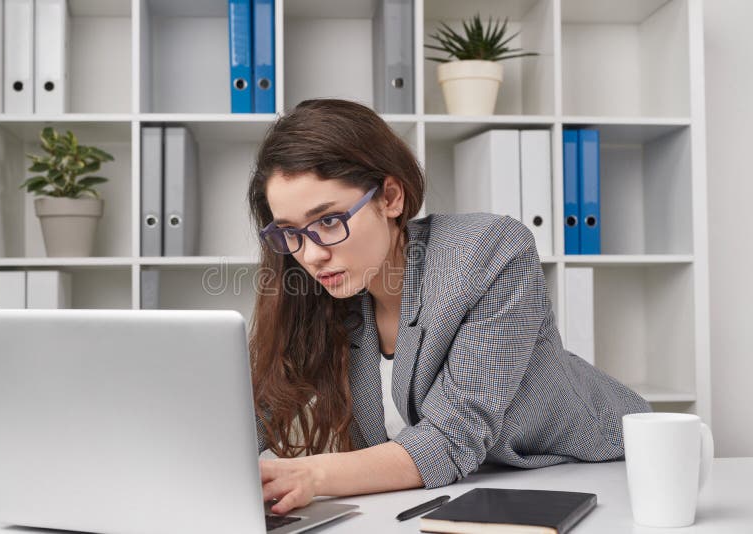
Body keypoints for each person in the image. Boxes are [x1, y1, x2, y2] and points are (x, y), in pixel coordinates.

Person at [246, 98, 652, 515]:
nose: (310, 256)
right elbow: (260, 410)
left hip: (607, 474)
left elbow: (452, 438)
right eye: (290, 233)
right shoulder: (334, 293)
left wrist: (312, 475)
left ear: (390, 197)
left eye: (329, 221)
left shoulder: (488, 251)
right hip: (474, 491)